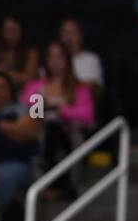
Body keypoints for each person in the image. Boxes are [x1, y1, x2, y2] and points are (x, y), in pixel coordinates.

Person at [21, 41, 96, 194]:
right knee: (44, 128)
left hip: (68, 138)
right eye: (51, 57)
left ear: (67, 60)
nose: (55, 61)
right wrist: (43, 102)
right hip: (39, 135)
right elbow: (26, 106)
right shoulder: (35, 86)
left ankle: (64, 182)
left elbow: (87, 115)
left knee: (55, 128)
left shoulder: (79, 88)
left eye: (59, 56)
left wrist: (62, 110)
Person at [0, 72, 40, 213]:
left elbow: (30, 132)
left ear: (11, 91)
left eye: (2, 87)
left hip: (16, 163)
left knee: (6, 173)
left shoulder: (23, 109)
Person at [0, 16, 40, 92]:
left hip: (21, 93)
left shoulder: (31, 52)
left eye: (13, 30)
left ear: (21, 31)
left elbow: (29, 78)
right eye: (7, 30)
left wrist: (6, 72)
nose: (10, 34)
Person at [58, 18, 104, 97]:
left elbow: (96, 90)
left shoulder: (91, 59)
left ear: (80, 35)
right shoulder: (53, 60)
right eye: (65, 32)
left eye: (72, 32)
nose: (68, 36)